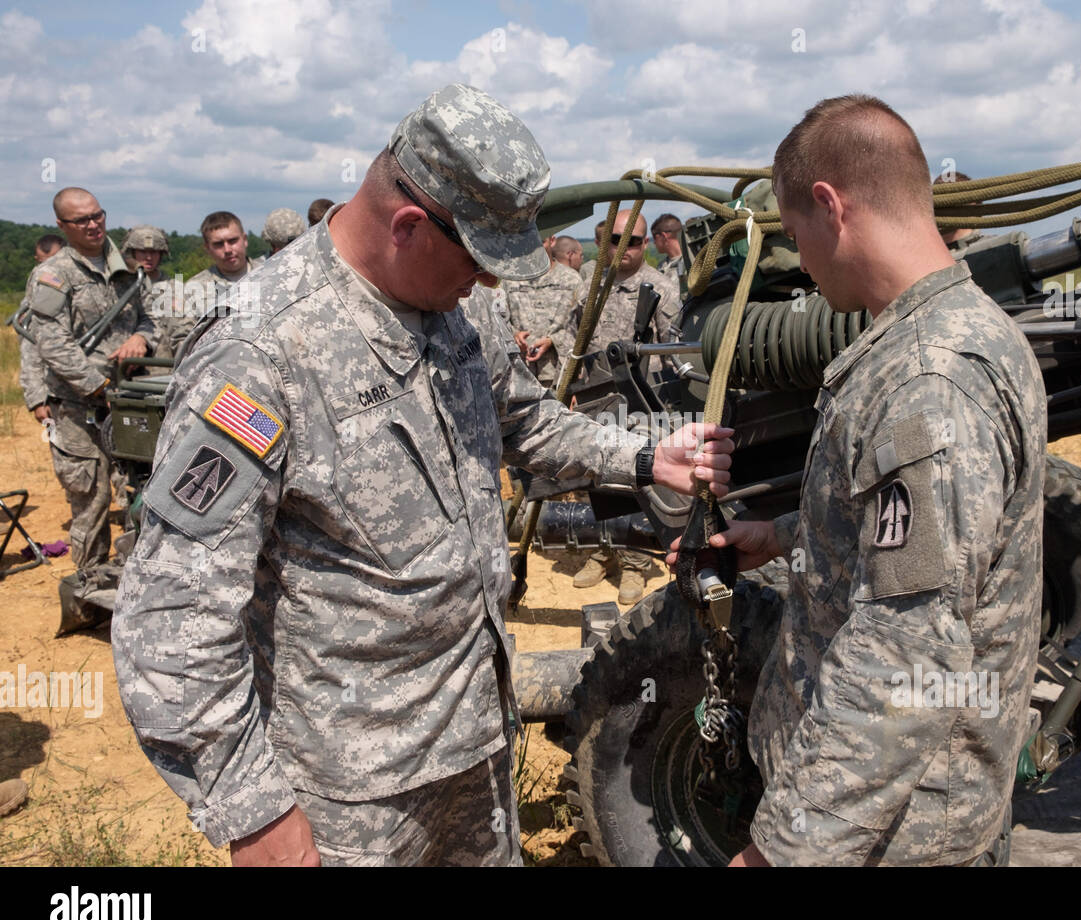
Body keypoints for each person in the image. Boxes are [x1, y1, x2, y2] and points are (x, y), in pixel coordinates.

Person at [112, 83, 734, 867]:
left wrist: (643, 456)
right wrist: (256, 816)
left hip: (476, 738)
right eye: (480, 261)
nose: (492, 284)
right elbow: (171, 621)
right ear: (410, 226)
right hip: (353, 796)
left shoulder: (456, 310)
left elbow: (527, 421)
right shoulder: (262, 352)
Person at [672, 95, 1047, 866]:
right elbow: (909, 548)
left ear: (828, 206)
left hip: (891, 834)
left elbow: (906, 646)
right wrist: (781, 539)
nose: (802, 263)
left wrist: (783, 847)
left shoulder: (929, 376)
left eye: (795, 235)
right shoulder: (952, 331)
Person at [25, 188, 156, 589]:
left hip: (128, 402)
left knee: (141, 492)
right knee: (92, 500)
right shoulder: (53, 275)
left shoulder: (127, 270)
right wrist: (98, 387)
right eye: (81, 220)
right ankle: (89, 588)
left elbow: (151, 320)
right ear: (63, 226)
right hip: (78, 408)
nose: (94, 224)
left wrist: (142, 340)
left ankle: (138, 586)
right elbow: (51, 343)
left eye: (97, 215)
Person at [568, 209, 683, 604]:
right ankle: (602, 552)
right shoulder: (589, 290)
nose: (623, 250)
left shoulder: (662, 290)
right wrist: (566, 389)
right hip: (595, 401)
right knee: (595, 480)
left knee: (638, 482)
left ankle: (634, 562)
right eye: (615, 241)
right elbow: (574, 345)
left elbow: (674, 356)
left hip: (641, 408)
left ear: (645, 244)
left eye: (632, 242)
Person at [500, 237, 583, 387]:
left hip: (559, 375)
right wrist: (514, 335)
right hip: (520, 375)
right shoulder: (510, 279)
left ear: (552, 240)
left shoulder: (571, 280)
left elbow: (583, 329)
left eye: (541, 241)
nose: (534, 247)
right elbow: (498, 321)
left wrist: (552, 340)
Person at [177, 212, 263, 356]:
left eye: (233, 240)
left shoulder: (271, 276)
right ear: (207, 248)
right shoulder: (193, 289)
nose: (228, 250)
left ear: (245, 239)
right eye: (218, 244)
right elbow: (182, 342)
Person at [17, 233, 66, 425]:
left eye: (54, 262)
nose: (48, 270)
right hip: (52, 395)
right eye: (42, 264)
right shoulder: (33, 302)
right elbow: (29, 351)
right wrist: (37, 398)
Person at [122, 225, 184, 360]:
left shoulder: (175, 287)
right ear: (132, 252)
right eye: (143, 251)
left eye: (154, 252)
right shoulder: (121, 286)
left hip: (166, 361)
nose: (149, 257)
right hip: (130, 360)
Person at [651, 212, 685, 286]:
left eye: (654, 237)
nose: (654, 242)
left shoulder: (693, 261)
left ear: (663, 236)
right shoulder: (661, 267)